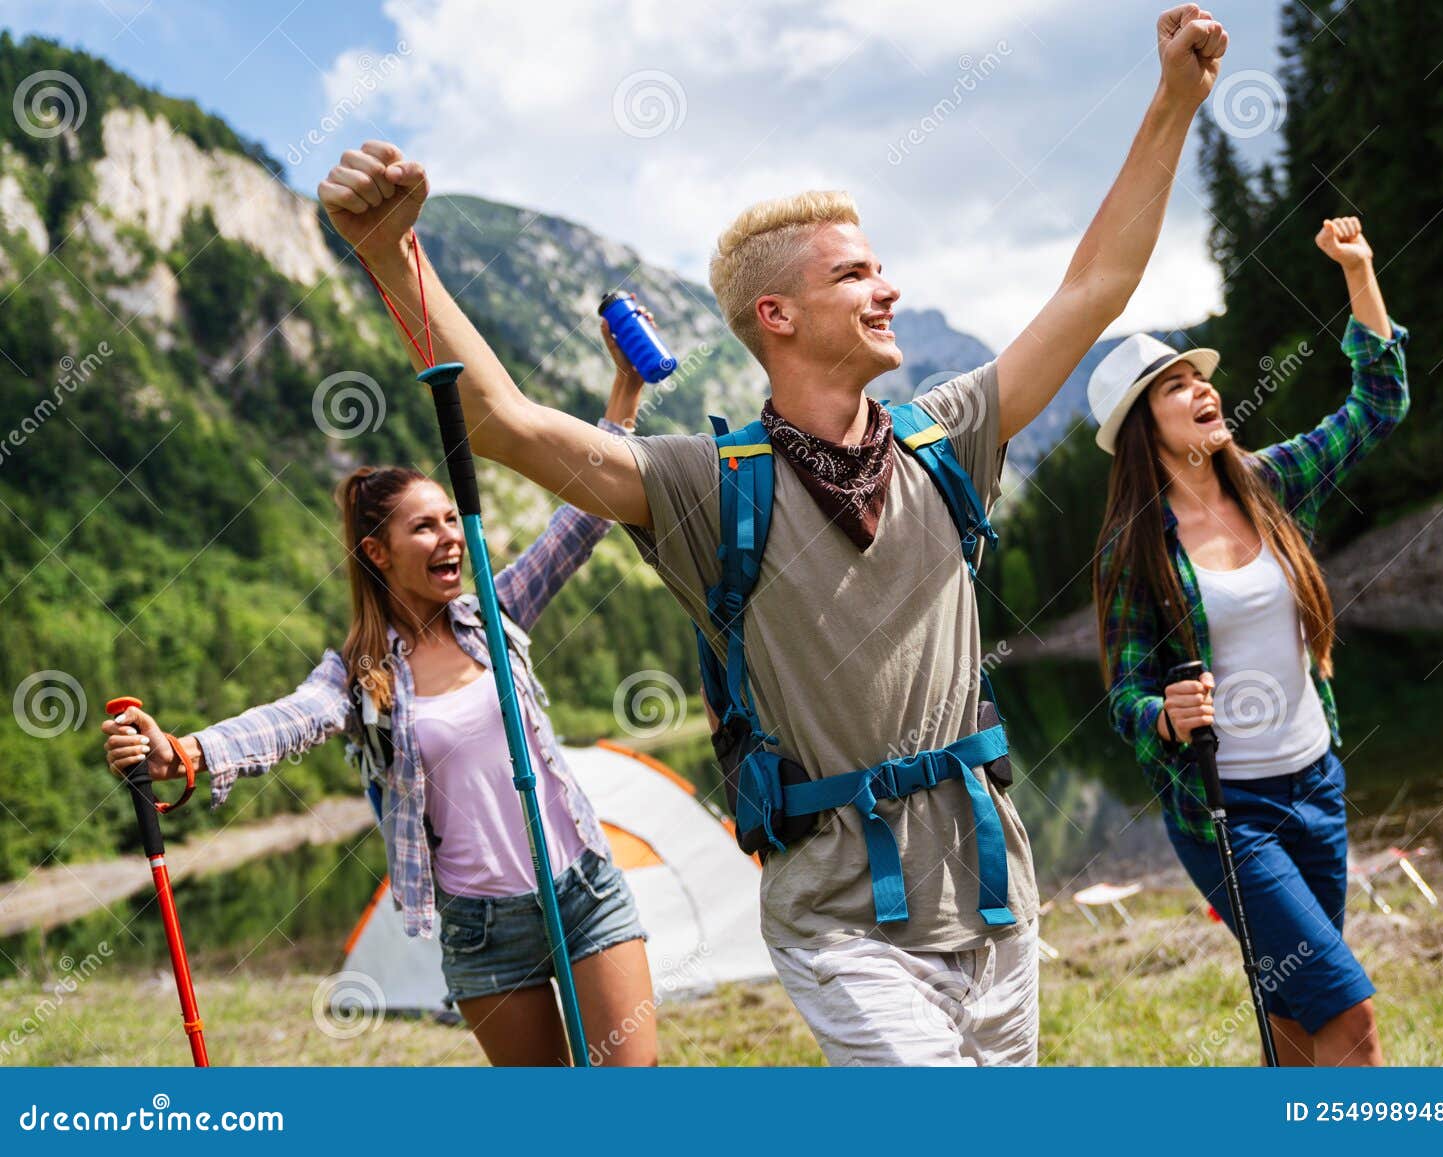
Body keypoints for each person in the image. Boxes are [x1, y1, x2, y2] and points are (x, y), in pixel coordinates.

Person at [316, 5, 1229, 1065]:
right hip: (843, 918)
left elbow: (1092, 287)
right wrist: (394, 257)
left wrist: (1171, 103)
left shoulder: (949, 432)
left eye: (879, 268)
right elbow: (503, 422)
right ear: (776, 317)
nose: (887, 286)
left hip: (994, 895)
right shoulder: (705, 484)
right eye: (853, 273)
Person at [101, 338, 658, 1067]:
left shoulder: (496, 613)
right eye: (423, 526)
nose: (449, 535)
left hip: (583, 886)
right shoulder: (357, 677)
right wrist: (185, 752)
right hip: (484, 929)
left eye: (451, 519)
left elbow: (580, 523)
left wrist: (623, 394)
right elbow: (286, 721)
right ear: (378, 552)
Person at [1090, 216, 1407, 1066]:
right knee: (1351, 1018)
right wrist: (1163, 710)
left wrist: (1360, 271)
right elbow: (1122, 696)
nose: (1201, 390)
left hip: (1317, 783)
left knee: (1297, 1021)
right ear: (1142, 431)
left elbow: (1380, 403)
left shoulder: (1269, 483)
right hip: (1229, 813)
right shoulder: (1135, 549)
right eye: (1173, 387)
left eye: (1198, 376)